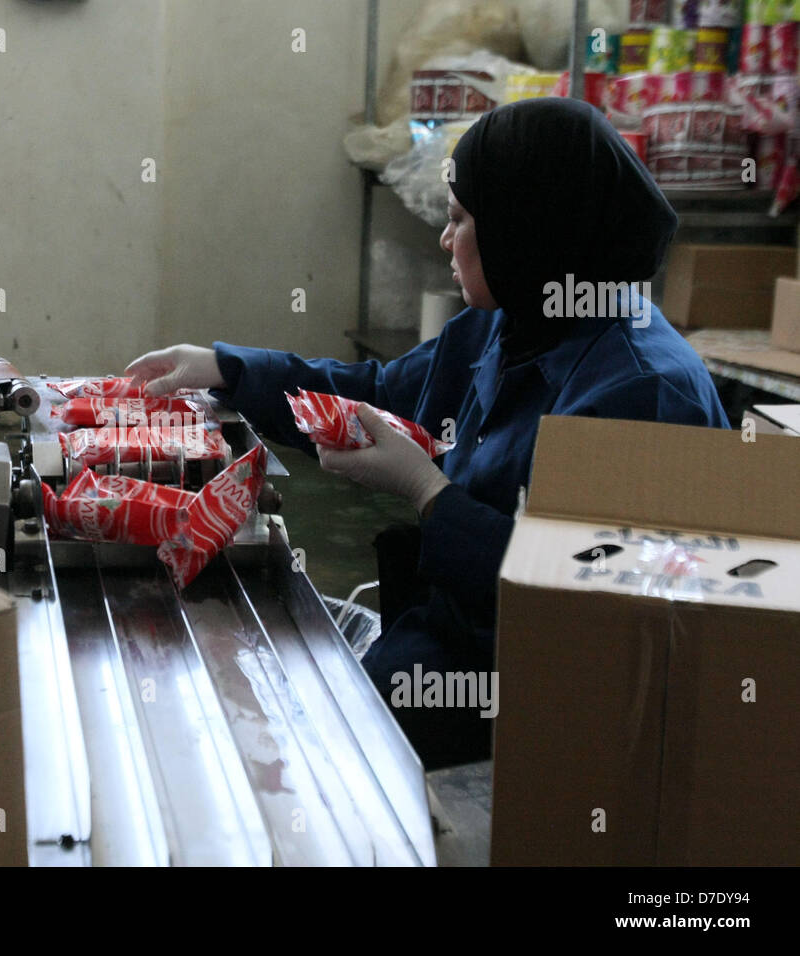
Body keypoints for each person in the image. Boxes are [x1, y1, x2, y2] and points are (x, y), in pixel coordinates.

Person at [127, 98, 729, 770]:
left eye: (460, 219)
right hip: (460, 632)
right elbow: (382, 394)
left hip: (552, 692)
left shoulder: (641, 392)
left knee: (316, 745)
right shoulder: (517, 321)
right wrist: (229, 370)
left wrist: (428, 492)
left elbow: (591, 600)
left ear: (527, 226)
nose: (446, 240)